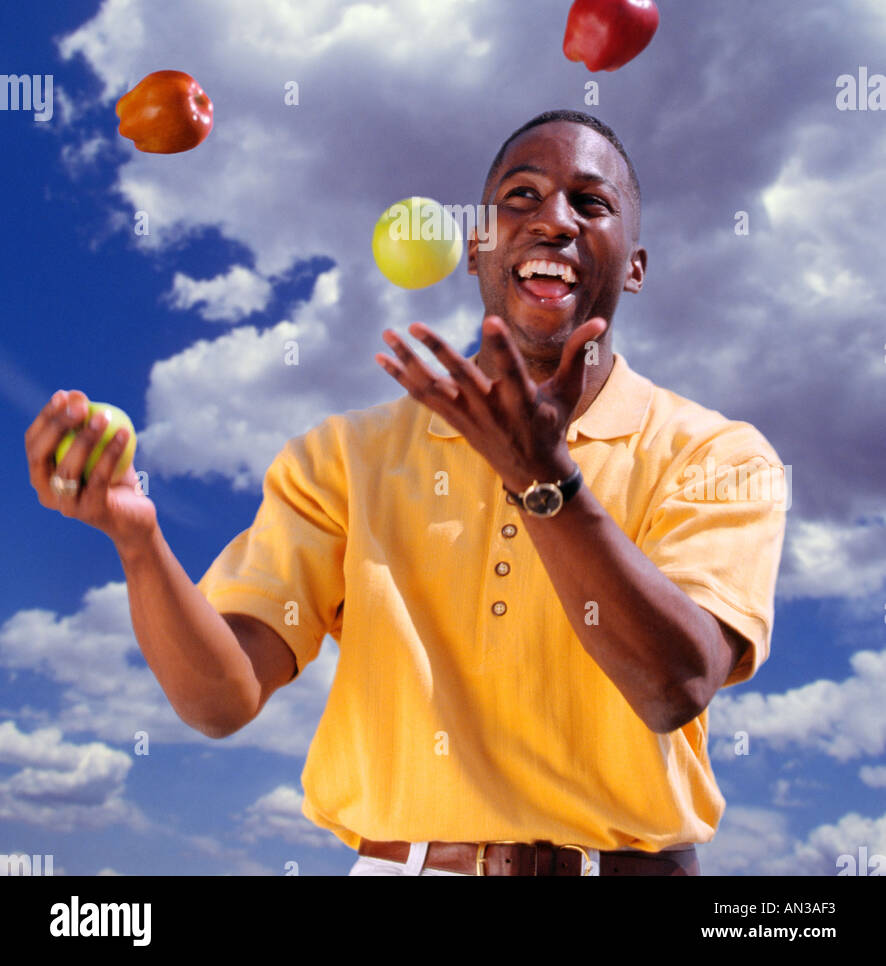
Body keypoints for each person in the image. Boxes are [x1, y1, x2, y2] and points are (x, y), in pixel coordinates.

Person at [25, 110, 786, 877]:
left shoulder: (717, 454)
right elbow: (221, 699)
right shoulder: (344, 458)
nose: (553, 219)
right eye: (520, 196)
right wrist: (138, 541)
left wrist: (542, 482)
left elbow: (675, 685)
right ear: (475, 248)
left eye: (592, 204)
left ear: (634, 266)